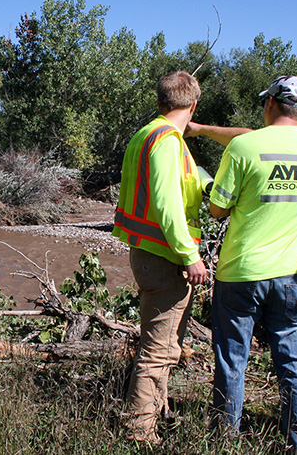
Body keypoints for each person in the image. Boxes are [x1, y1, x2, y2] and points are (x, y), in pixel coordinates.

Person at [187, 75, 297, 455]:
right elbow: (262, 137)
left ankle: (224, 440)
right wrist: (205, 130)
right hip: (293, 275)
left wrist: (208, 182)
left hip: (242, 273)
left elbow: (217, 208)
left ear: (271, 104)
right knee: (296, 368)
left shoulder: (244, 148)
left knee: (232, 362)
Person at [112, 70, 208, 444]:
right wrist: (190, 256)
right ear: (193, 104)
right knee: (159, 350)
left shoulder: (146, 133)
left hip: (146, 252)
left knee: (162, 344)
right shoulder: (168, 141)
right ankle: (139, 432)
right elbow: (167, 205)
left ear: (160, 102)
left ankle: (157, 412)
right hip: (164, 257)